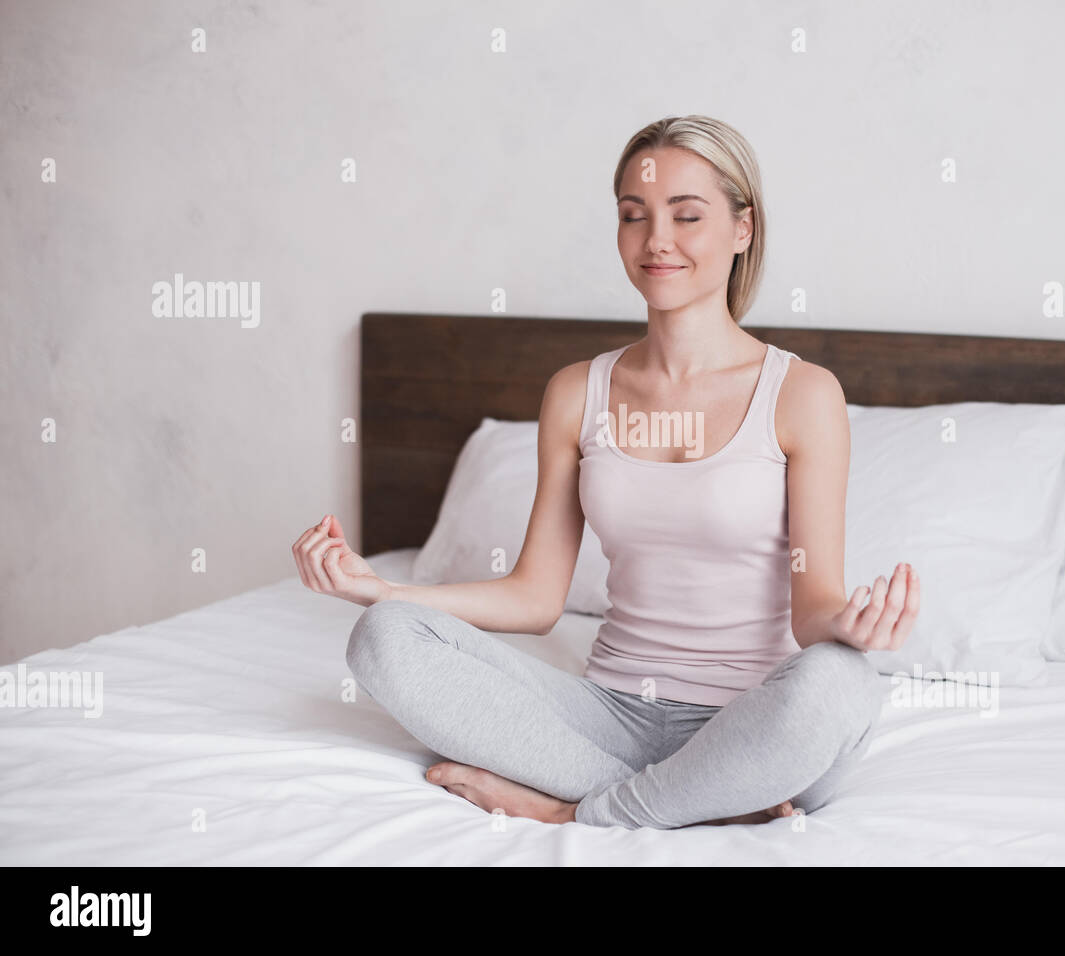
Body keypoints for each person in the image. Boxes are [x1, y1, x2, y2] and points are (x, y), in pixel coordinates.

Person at [291, 115, 919, 829]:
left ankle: (577, 813)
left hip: (758, 722)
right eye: (634, 215)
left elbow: (813, 617)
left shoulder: (803, 395)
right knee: (386, 635)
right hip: (611, 713)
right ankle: (701, 806)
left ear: (743, 228)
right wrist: (381, 590)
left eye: (687, 215)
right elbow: (534, 598)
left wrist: (853, 624)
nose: (657, 240)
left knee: (841, 681)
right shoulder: (575, 393)